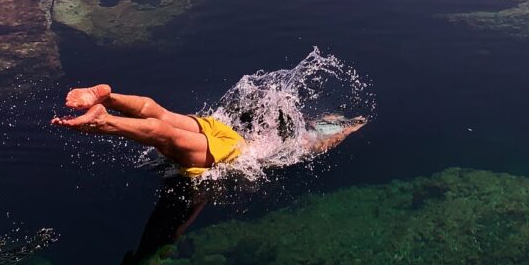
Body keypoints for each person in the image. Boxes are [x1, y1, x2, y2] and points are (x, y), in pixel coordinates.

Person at [53, 83, 364, 175]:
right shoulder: (303, 145)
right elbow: (323, 141)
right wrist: (351, 131)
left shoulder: (302, 127)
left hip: (226, 130)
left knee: (162, 113)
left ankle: (109, 96)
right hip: (234, 151)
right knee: (167, 136)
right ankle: (105, 119)